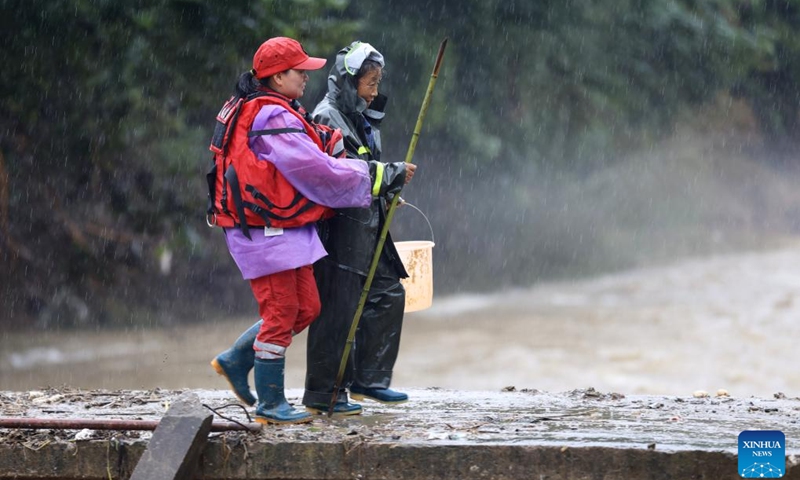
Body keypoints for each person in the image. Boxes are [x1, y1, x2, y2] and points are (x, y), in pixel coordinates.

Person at [207, 37, 412, 424]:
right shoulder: (269, 116)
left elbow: (316, 147)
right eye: (299, 70)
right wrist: (378, 176)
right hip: (265, 230)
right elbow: (314, 171)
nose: (306, 76)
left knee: (308, 307)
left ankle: (237, 359)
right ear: (276, 75)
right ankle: (270, 403)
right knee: (282, 311)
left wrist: (341, 152)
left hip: (288, 228)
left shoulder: (286, 110)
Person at [302, 41, 413, 415]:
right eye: (370, 82)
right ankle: (325, 393)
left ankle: (370, 380)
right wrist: (393, 174)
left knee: (387, 294)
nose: (375, 91)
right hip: (342, 229)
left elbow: (368, 169)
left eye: (378, 82)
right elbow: (342, 174)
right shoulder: (327, 116)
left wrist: (387, 190)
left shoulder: (360, 115)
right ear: (350, 82)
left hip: (369, 223)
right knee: (339, 309)